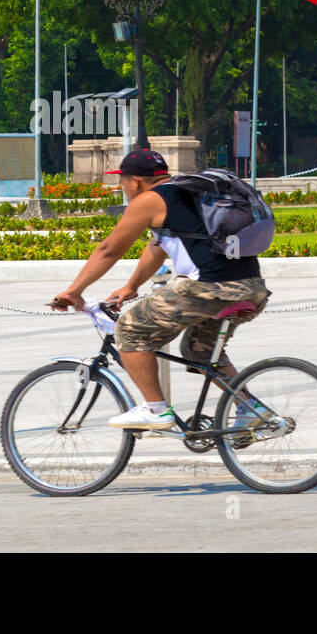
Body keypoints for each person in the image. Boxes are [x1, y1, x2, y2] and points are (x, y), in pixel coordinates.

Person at [52, 149, 271, 430]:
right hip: (251, 288)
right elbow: (157, 246)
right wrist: (131, 286)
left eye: (123, 182)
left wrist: (74, 291)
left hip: (207, 289)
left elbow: (109, 250)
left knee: (130, 330)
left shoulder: (148, 200)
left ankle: (156, 410)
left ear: (134, 181)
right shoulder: (188, 192)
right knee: (199, 351)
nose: (123, 188)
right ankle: (249, 407)